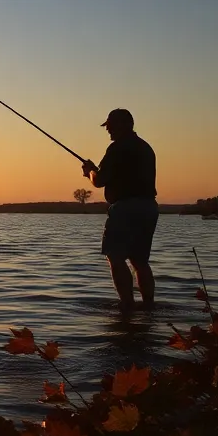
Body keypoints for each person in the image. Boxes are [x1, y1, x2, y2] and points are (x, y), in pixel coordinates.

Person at [81, 108, 158, 312]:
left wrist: (90, 171)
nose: (109, 131)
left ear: (125, 125)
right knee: (140, 260)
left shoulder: (117, 148)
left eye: (111, 126)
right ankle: (149, 306)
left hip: (125, 208)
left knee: (115, 256)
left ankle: (127, 306)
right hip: (149, 207)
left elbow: (100, 180)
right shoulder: (145, 148)